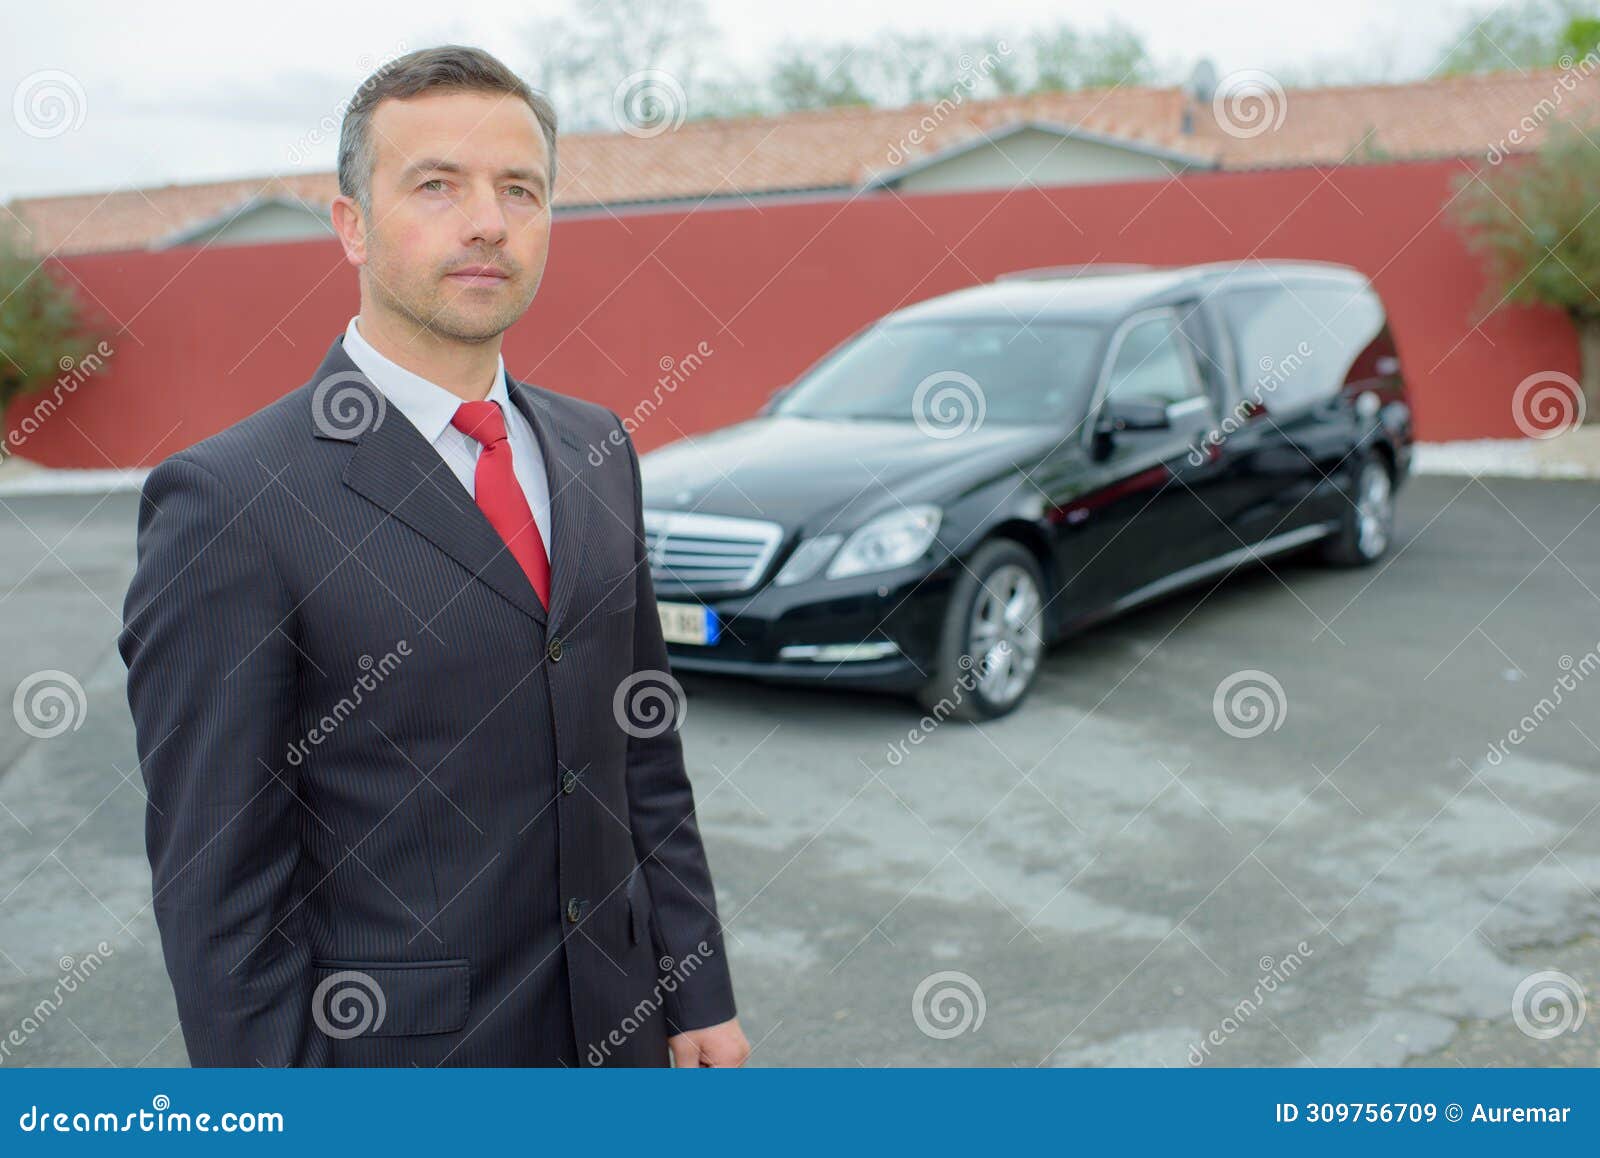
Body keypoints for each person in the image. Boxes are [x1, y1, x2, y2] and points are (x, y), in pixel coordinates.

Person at [117, 44, 747, 1068]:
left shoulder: (596, 447)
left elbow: (642, 754)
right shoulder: (232, 502)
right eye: (436, 186)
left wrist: (696, 989)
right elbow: (218, 893)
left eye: (520, 189)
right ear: (352, 227)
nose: (488, 220)